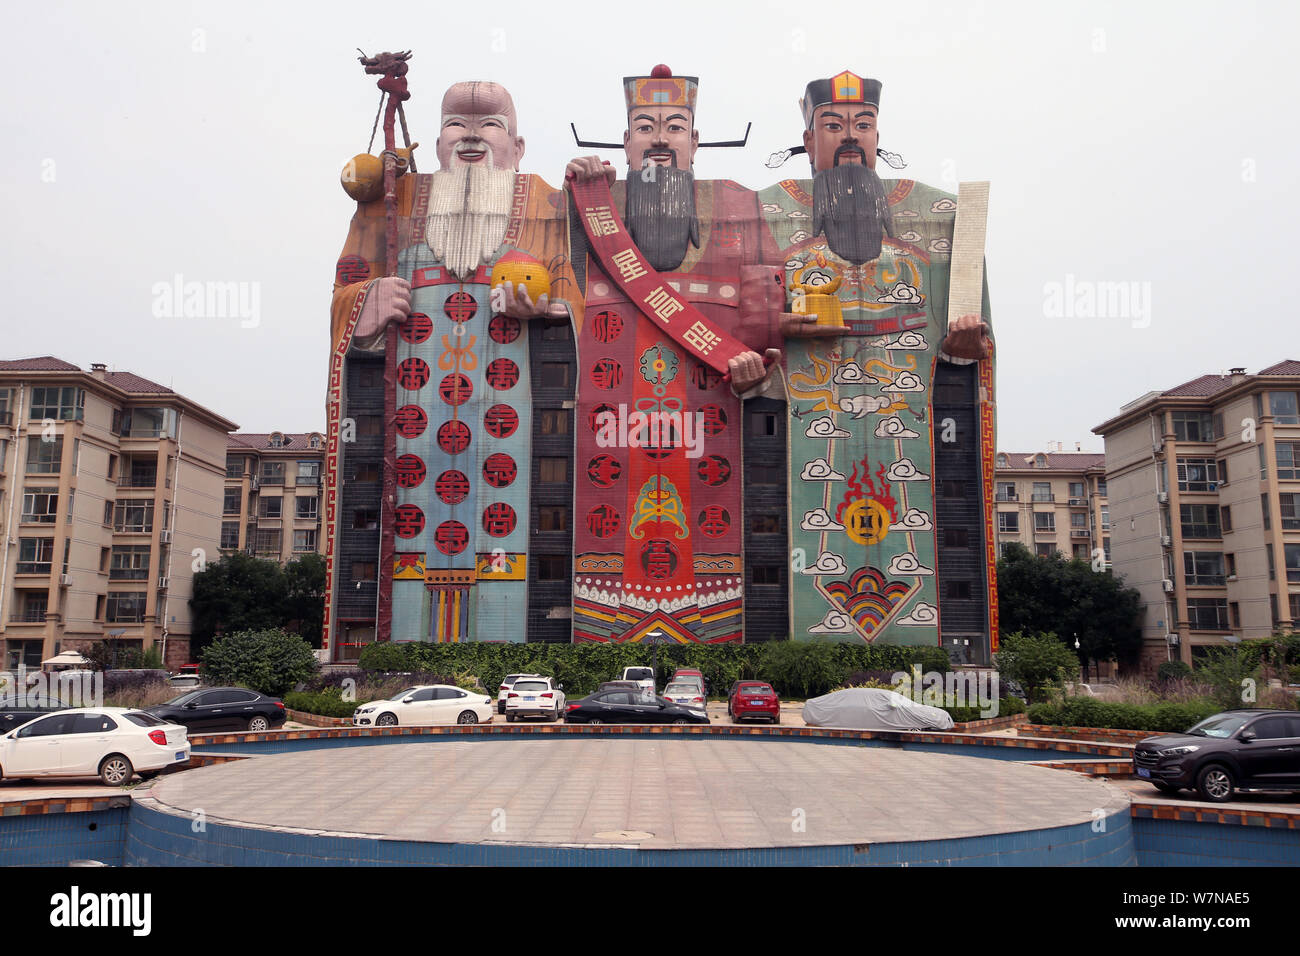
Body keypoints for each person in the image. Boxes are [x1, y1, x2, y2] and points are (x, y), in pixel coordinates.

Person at [323, 81, 582, 649]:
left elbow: (577, 287)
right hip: (413, 406)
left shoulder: (549, 202)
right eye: (456, 124)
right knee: (405, 526)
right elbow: (346, 284)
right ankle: (401, 649)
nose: (471, 136)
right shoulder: (391, 201)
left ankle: (499, 643)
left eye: (489, 124)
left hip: (512, 407)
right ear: (438, 143)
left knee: (510, 526)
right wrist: (365, 302)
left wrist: (549, 305)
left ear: (517, 146)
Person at [757, 70, 996, 652]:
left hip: (907, 393)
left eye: (863, 124)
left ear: (878, 135)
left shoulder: (941, 211)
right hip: (807, 397)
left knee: (914, 496)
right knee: (807, 493)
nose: (850, 136)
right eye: (832, 125)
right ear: (808, 138)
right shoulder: (761, 212)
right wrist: (769, 325)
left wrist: (965, 345)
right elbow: (729, 310)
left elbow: (972, 321)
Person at [563, 66, 794, 644]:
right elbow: (553, 281)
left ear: (695, 141)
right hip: (612, 405)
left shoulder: (739, 204)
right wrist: (578, 190)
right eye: (645, 127)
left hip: (711, 414)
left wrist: (757, 370)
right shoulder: (593, 201)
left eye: (675, 127)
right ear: (625, 142)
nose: (660, 139)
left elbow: (771, 315)